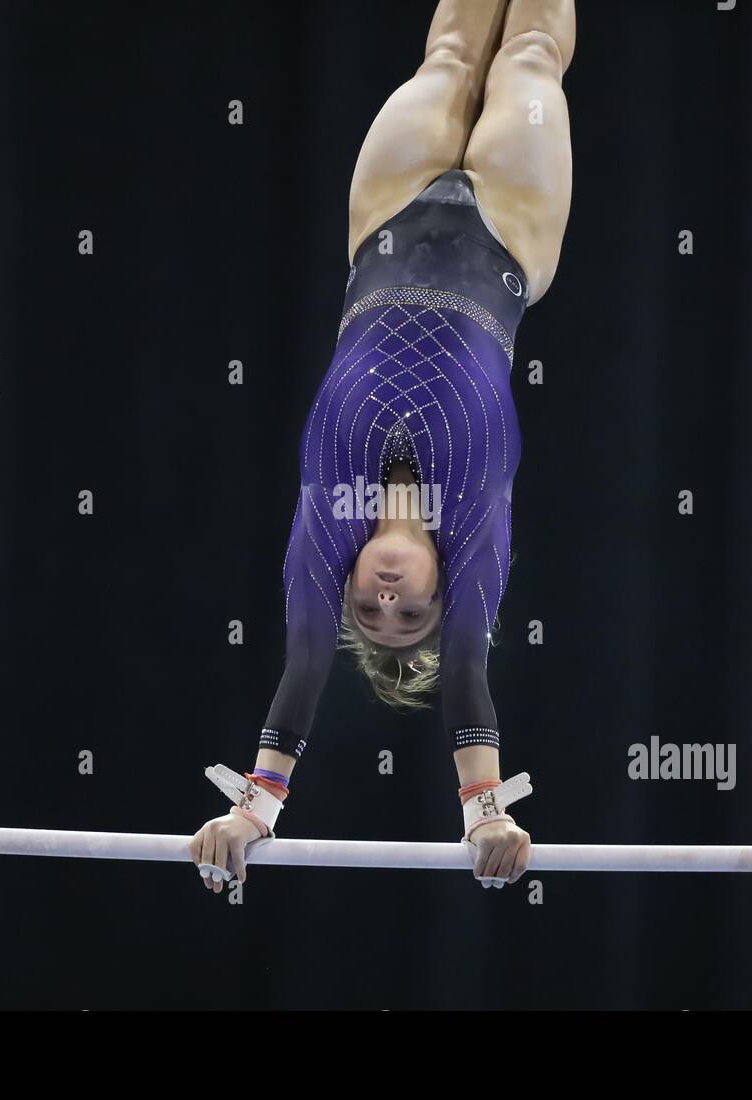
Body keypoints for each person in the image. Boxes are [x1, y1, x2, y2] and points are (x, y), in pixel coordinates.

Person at [191, 0, 574, 891]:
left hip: (387, 219)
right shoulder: (472, 517)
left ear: (346, 585)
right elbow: (468, 669)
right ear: (450, 587)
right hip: (511, 232)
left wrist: (254, 809)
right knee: (526, 57)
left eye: (371, 613)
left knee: (446, 55)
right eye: (413, 615)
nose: (390, 602)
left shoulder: (334, 505)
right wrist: (487, 812)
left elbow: (305, 660)